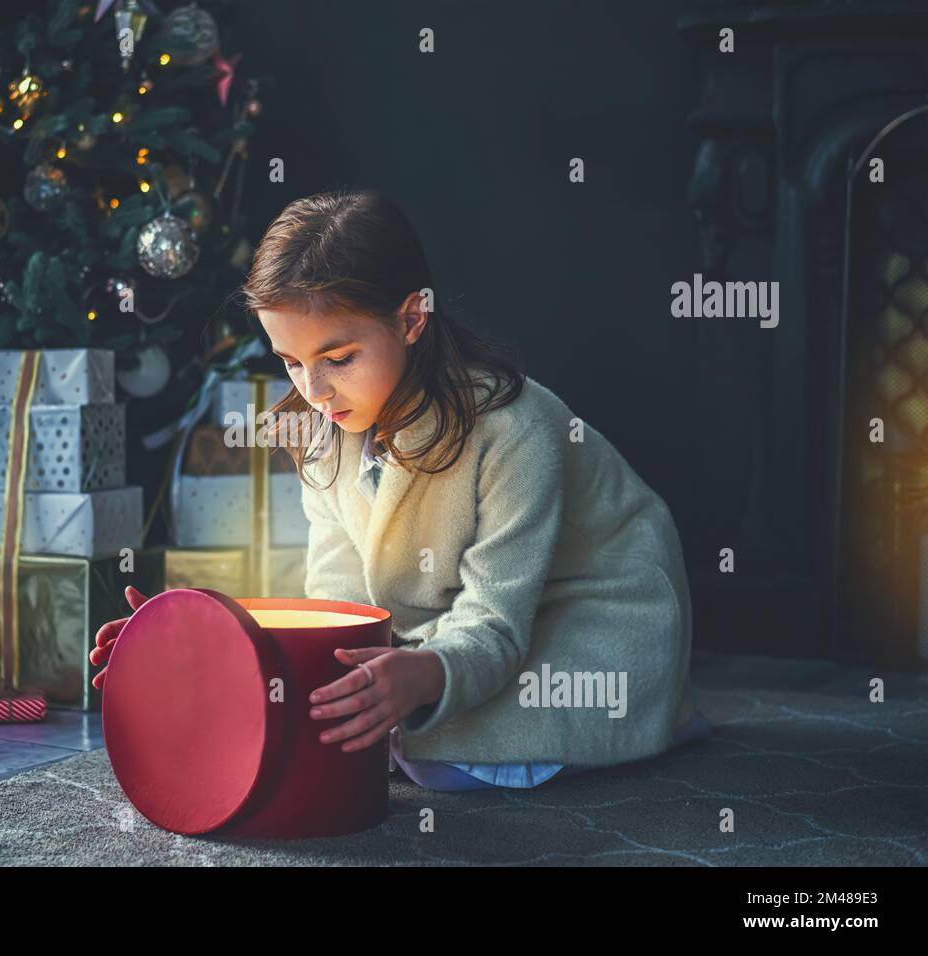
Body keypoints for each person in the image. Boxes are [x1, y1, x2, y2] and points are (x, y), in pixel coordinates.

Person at [93, 188, 710, 791]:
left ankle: (652, 718)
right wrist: (207, 645)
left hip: (594, 614)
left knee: (427, 752)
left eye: (339, 357)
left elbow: (495, 621)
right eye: (289, 360)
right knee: (339, 721)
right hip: (453, 627)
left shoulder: (515, 430)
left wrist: (428, 672)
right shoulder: (323, 431)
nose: (314, 390)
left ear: (412, 318)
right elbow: (337, 604)